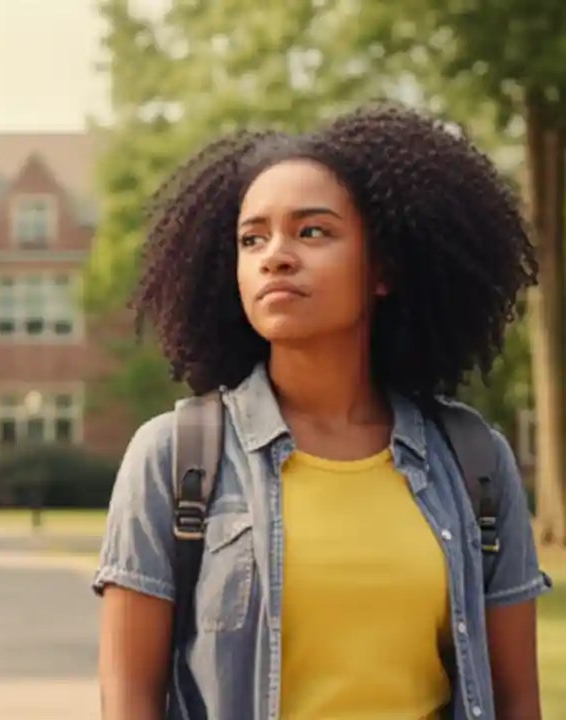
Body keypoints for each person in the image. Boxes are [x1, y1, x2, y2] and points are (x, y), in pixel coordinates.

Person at [92, 104, 553, 719]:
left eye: (312, 232)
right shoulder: (175, 459)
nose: (276, 256)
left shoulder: (474, 462)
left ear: (383, 270)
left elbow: (517, 701)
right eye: (252, 238)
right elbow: (129, 698)